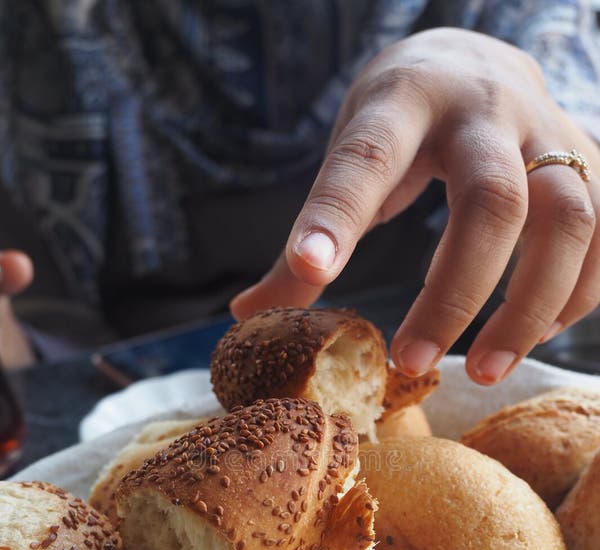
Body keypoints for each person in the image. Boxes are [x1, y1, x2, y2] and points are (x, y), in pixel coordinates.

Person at [0, 1, 599, 384]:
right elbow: (36, 344)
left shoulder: (508, 12)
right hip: (102, 402)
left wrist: (521, 90)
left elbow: (573, 108)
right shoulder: (28, 38)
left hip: (448, 384)